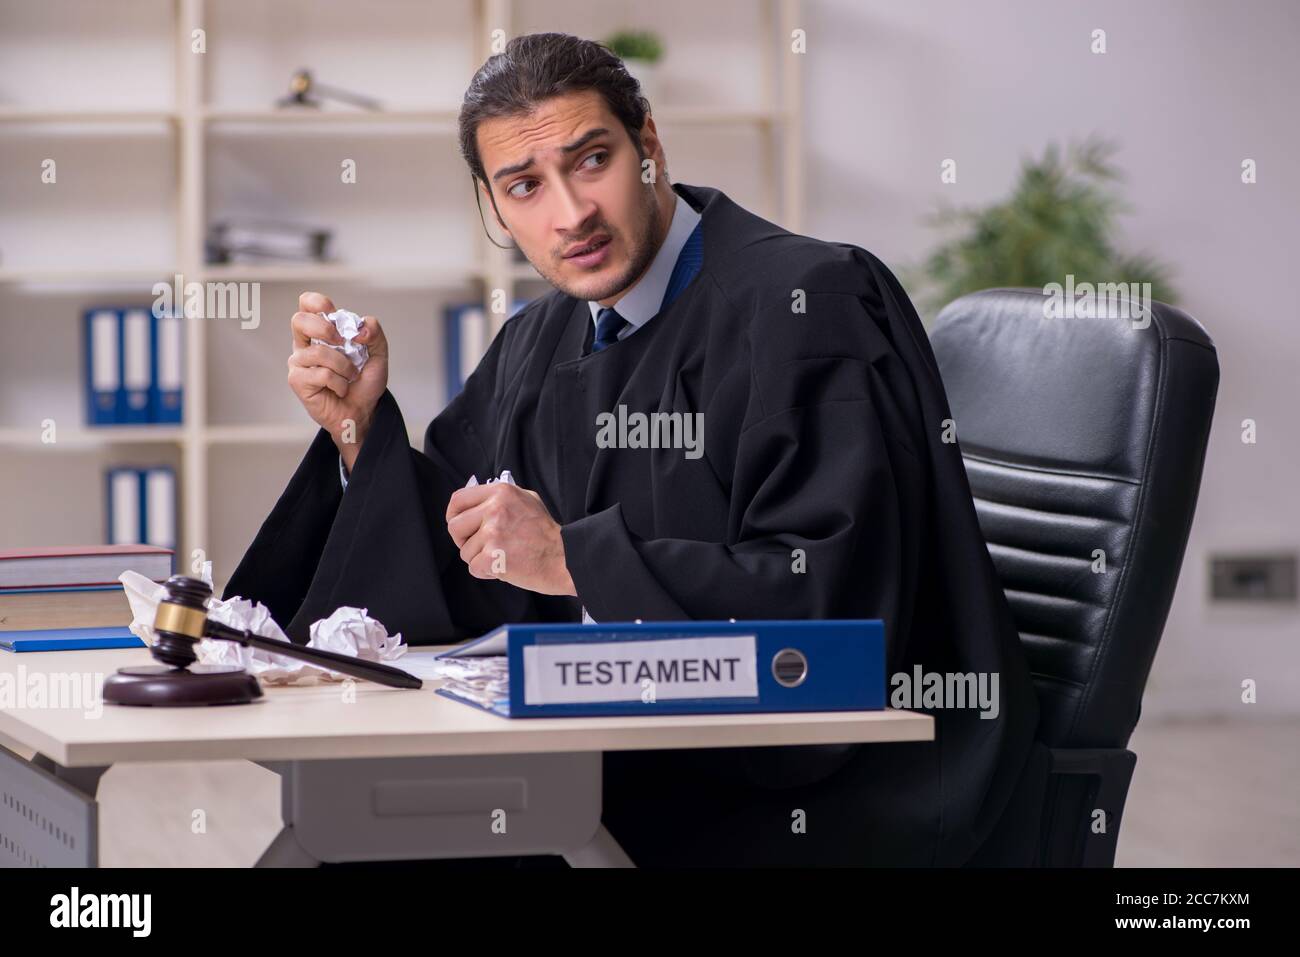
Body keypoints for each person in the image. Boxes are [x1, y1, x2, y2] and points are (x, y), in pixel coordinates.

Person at [225, 32, 1045, 867]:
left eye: (592, 160)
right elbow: (465, 547)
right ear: (492, 208)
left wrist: (573, 558)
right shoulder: (537, 337)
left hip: (811, 794)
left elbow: (831, 611)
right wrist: (360, 429)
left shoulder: (806, 304)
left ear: (649, 145)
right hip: (622, 757)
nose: (570, 213)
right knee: (345, 832)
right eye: (525, 186)